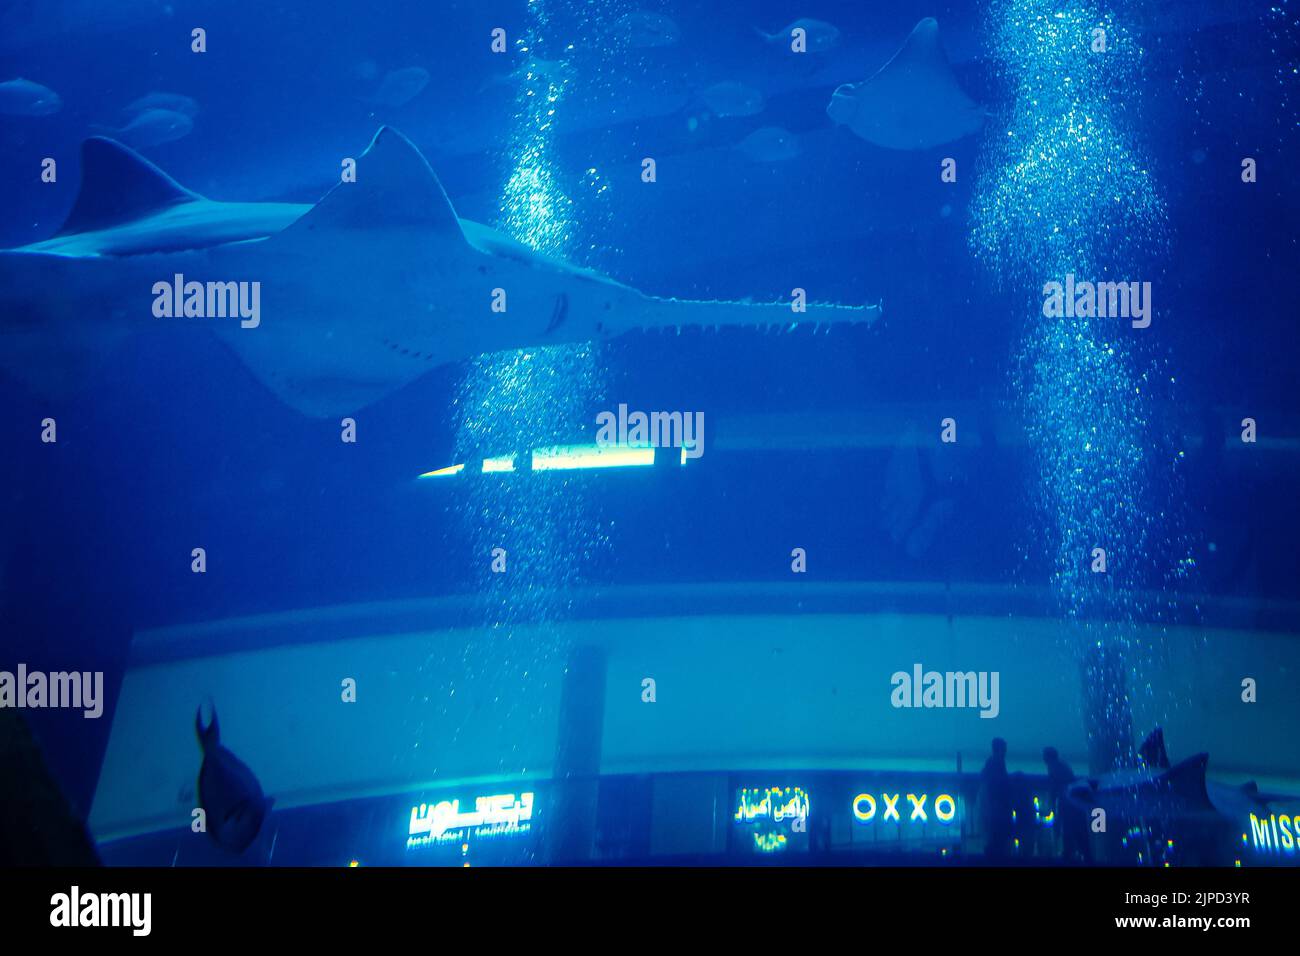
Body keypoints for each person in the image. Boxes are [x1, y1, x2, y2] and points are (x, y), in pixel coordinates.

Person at [979, 738, 1012, 861]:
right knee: (997, 836)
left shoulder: (992, 762)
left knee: (994, 835)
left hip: (995, 806)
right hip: (997, 806)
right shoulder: (997, 762)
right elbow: (999, 784)